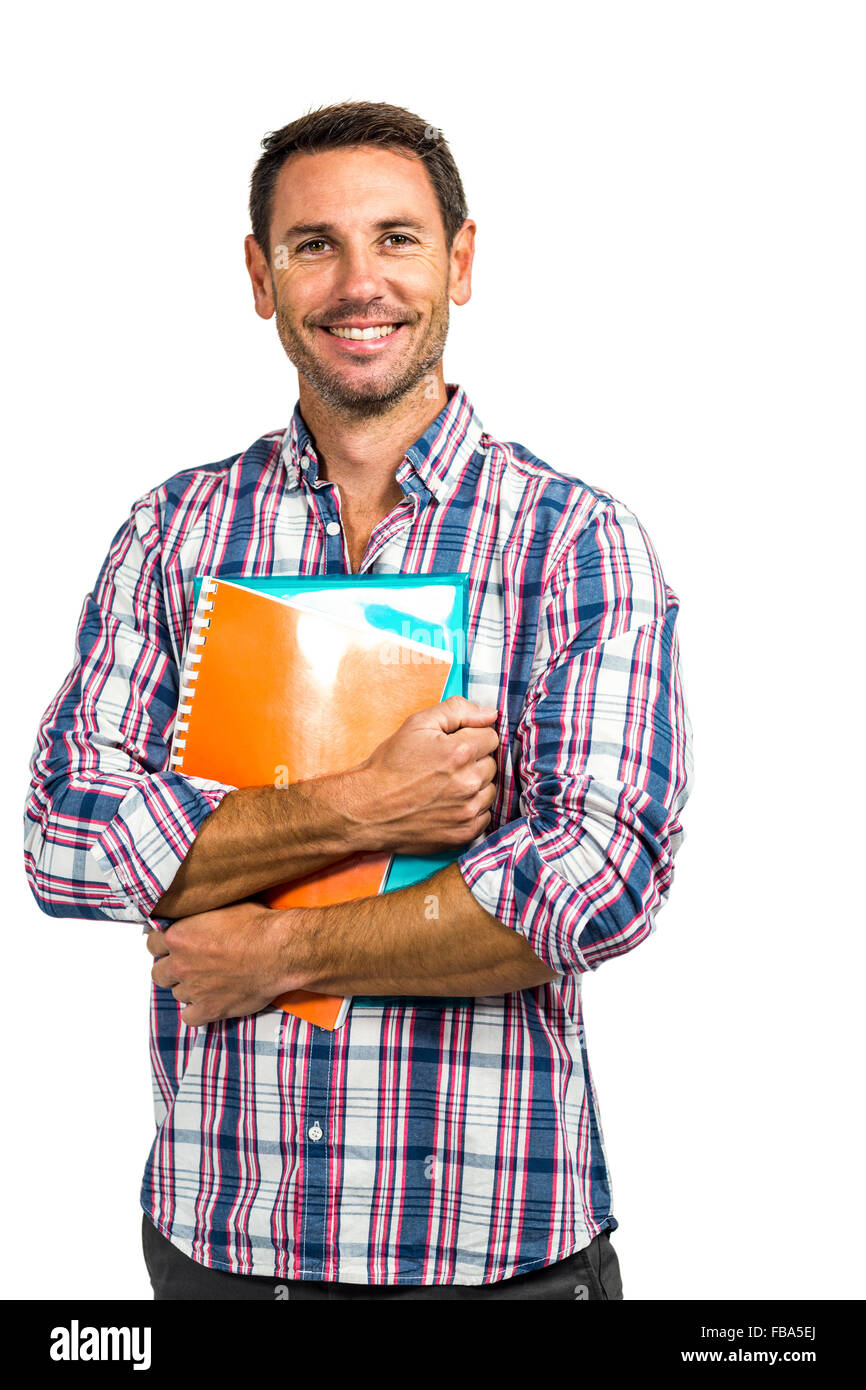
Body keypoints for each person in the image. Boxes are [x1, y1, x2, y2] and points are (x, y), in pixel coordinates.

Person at [23, 100, 693, 1301]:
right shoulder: (174, 533)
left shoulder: (575, 545)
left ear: (460, 261)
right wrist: (366, 806)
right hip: (217, 1244)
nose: (356, 283)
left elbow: (595, 881)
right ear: (259, 275)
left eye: (394, 238)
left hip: (494, 1259)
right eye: (312, 244)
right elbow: (68, 838)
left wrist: (276, 946)